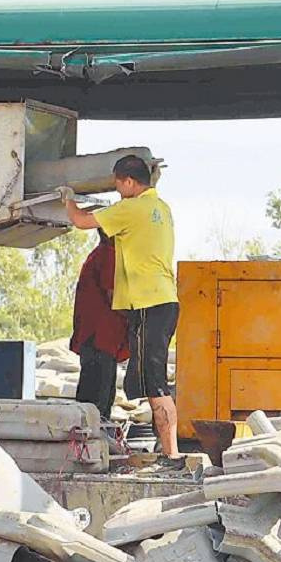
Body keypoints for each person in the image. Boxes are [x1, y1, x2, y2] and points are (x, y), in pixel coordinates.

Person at [62, 154, 183, 470]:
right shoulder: (161, 208)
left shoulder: (130, 209)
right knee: (147, 382)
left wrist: (67, 199)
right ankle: (169, 452)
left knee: (154, 384)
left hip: (148, 304)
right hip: (161, 301)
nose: (117, 191)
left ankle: (171, 455)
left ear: (129, 182)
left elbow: (80, 221)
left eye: (118, 184)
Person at [71, 229, 129, 420]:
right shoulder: (108, 255)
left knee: (94, 395)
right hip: (101, 338)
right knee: (99, 400)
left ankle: (88, 440)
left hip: (97, 338)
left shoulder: (98, 255)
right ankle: (90, 442)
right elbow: (114, 297)